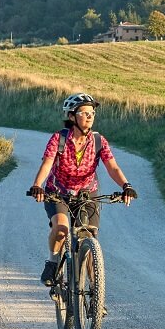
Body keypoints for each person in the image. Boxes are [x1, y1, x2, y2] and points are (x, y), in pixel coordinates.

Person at [28, 93, 137, 285]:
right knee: (61, 228)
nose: (90, 116)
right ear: (71, 116)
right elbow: (47, 163)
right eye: (84, 113)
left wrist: (126, 186)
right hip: (58, 193)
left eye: (92, 113)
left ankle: (96, 291)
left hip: (87, 193)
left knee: (90, 235)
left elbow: (112, 167)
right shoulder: (59, 139)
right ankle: (53, 263)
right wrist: (37, 186)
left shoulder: (98, 141)